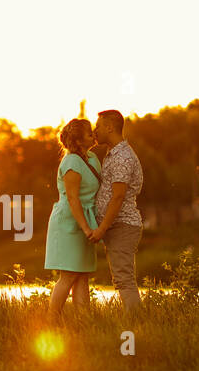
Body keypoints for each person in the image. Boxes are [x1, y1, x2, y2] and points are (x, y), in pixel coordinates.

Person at [44, 118, 102, 319]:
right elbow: (72, 198)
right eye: (88, 134)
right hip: (70, 224)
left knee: (82, 275)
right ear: (78, 140)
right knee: (68, 275)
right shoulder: (71, 163)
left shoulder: (92, 158)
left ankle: (83, 323)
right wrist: (86, 229)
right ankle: (51, 321)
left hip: (85, 220)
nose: (93, 135)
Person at [89, 108, 144, 311]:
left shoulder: (122, 157)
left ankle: (138, 324)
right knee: (121, 278)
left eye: (98, 126)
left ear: (109, 127)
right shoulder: (112, 153)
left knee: (124, 279)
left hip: (122, 225)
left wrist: (102, 228)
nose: (95, 131)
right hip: (116, 225)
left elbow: (118, 196)